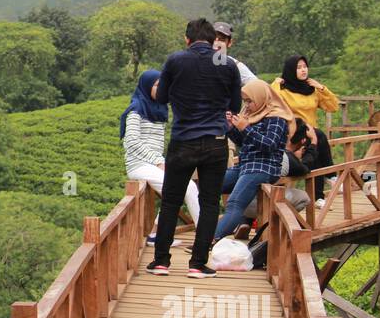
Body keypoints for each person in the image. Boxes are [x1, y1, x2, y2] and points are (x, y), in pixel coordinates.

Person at [148, 18, 242, 279]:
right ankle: (198, 264)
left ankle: (161, 262)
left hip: (183, 141)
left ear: (187, 39)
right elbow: (234, 105)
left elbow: (163, 97)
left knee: (170, 201)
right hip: (215, 142)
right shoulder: (226, 63)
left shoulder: (176, 60)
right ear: (214, 41)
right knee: (210, 202)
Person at [120, 69, 199, 247]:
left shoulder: (160, 108)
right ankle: (206, 235)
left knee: (180, 190)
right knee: (184, 187)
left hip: (154, 162)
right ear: (147, 86)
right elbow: (131, 142)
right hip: (139, 164)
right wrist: (158, 161)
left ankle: (156, 234)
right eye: (157, 85)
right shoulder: (135, 110)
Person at [214, 80, 294, 242]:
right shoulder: (250, 116)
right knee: (210, 186)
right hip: (245, 165)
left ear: (261, 97)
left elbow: (269, 145)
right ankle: (207, 229)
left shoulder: (276, 118)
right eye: (245, 101)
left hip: (264, 166)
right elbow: (243, 142)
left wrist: (245, 128)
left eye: (250, 101)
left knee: (235, 203)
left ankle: (210, 239)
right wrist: (231, 127)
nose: (247, 105)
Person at [272, 55, 339, 205]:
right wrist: (276, 83)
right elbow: (271, 100)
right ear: (291, 70)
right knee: (318, 136)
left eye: (305, 66)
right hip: (292, 132)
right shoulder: (283, 89)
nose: (303, 70)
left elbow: (333, 106)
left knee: (315, 147)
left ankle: (318, 197)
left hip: (310, 133)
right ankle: (330, 175)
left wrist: (321, 87)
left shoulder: (312, 89)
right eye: (299, 67)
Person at [211, 22, 256, 88]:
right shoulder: (198, 62)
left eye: (222, 40)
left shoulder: (236, 66)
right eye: (213, 39)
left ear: (229, 43)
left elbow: (257, 86)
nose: (216, 43)